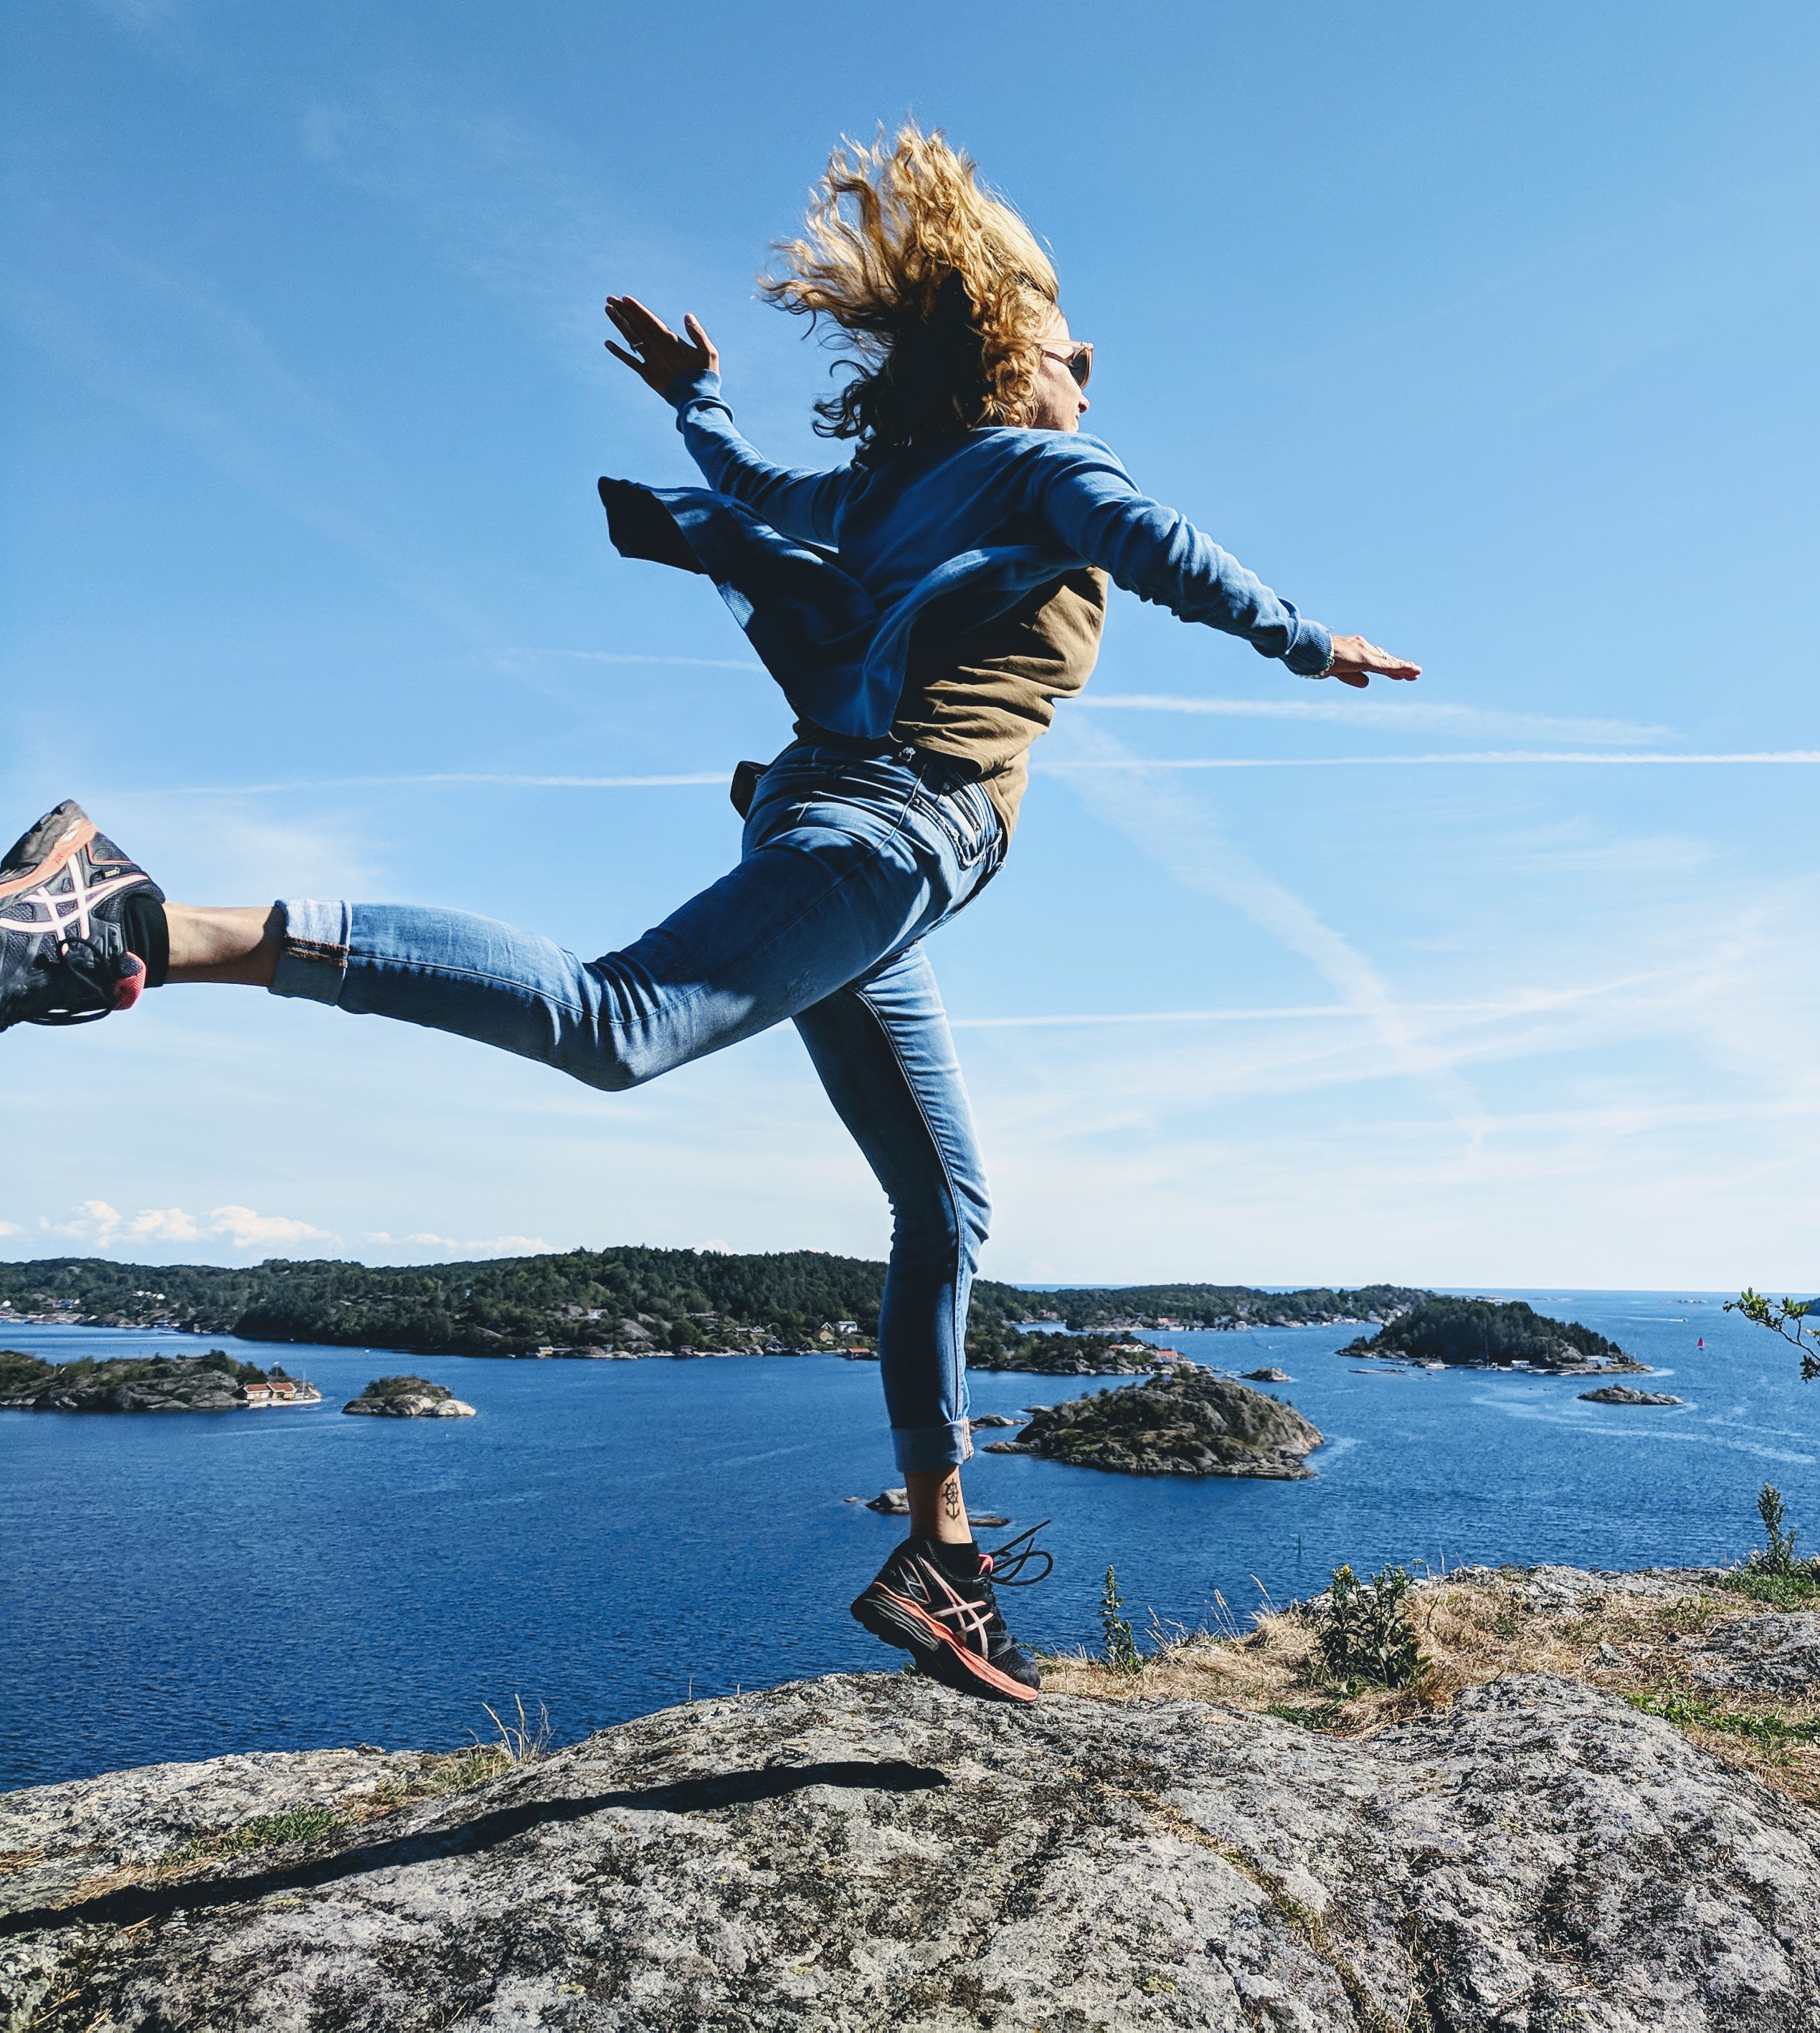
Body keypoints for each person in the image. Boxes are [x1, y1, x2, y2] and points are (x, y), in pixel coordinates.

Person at [0, 127, 1420, 1704]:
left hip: (861, 855)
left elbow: (746, 480)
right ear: (1018, 364)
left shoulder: (886, 486)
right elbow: (1162, 549)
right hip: (884, 840)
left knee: (947, 1212)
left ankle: (940, 1560)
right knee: (621, 1028)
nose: (1093, 373)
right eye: (1073, 352)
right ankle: (150, 921)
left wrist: (697, 400)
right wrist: (1309, 643)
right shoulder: (1039, 468)